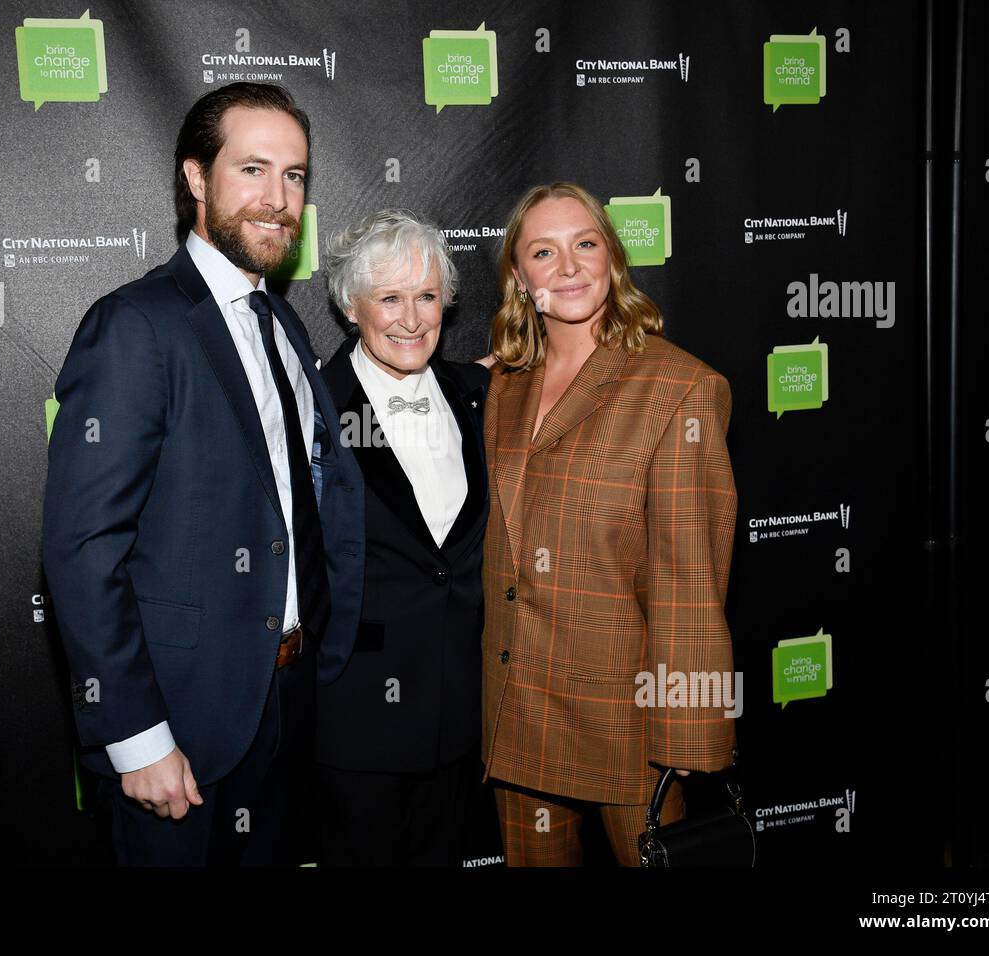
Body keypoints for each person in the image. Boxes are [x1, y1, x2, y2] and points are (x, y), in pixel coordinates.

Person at [41, 82, 364, 866]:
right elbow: (83, 549)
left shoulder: (282, 320)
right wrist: (136, 735)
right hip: (179, 724)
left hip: (287, 700)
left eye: (294, 176)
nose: (278, 198)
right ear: (196, 178)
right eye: (252, 170)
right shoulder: (136, 325)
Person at [480, 182, 738, 866]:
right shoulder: (503, 387)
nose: (567, 266)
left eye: (585, 244)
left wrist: (689, 727)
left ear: (613, 260)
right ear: (519, 277)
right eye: (543, 251)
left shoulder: (677, 387)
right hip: (518, 706)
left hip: (626, 720)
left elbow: (690, 580)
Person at [314, 209, 491, 865]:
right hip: (355, 723)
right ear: (351, 307)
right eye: (389, 298)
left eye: (426, 296)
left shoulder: (478, 393)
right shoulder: (311, 409)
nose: (412, 319)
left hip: (460, 718)